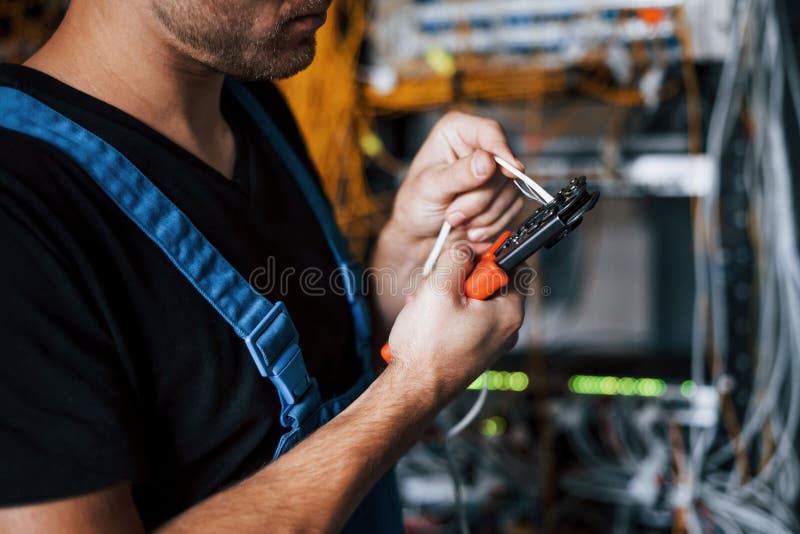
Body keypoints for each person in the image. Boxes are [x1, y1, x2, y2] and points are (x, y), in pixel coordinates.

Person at [0, 0, 525, 531]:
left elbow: (277, 389)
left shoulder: (250, 105)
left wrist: (409, 254)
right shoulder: (18, 207)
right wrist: (415, 387)